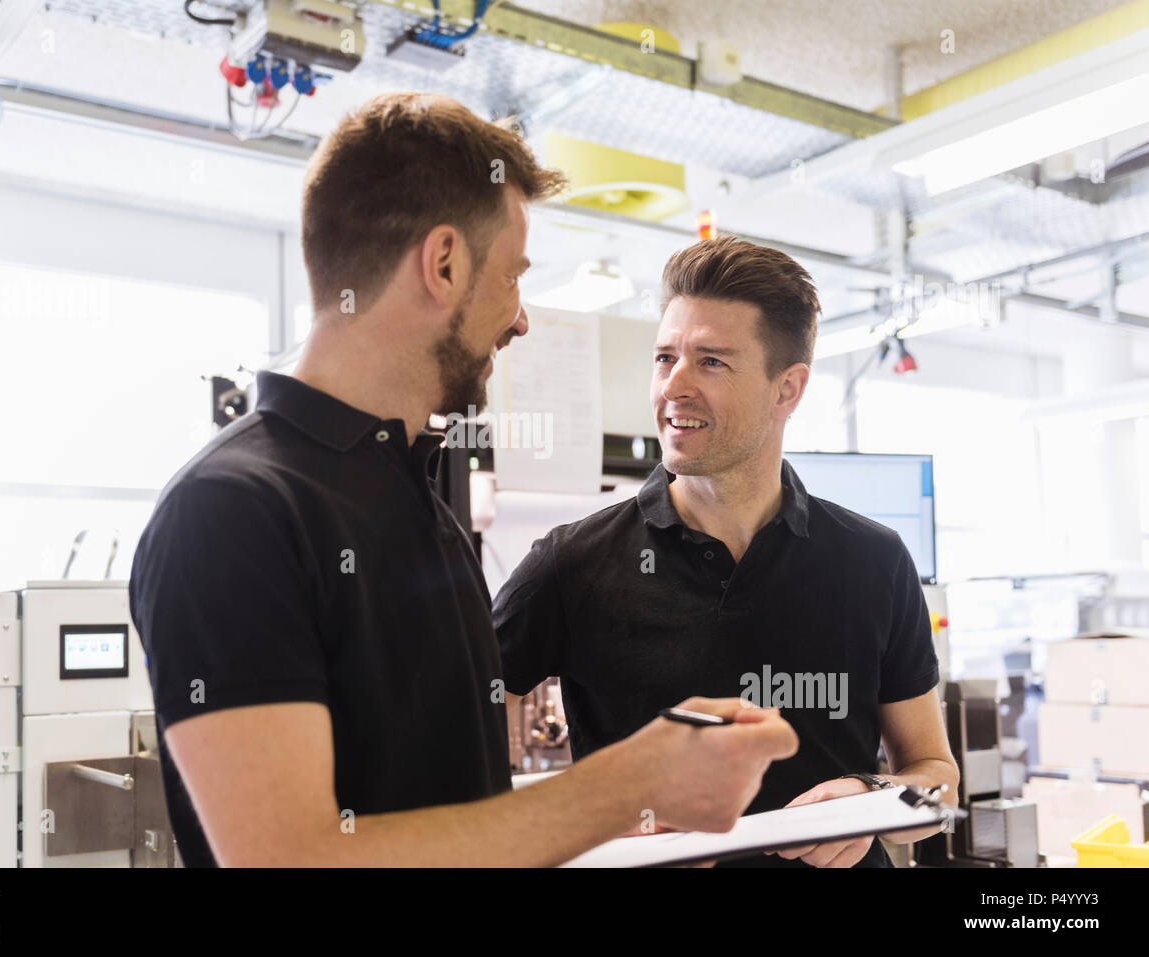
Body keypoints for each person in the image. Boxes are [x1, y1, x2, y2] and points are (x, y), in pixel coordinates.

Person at [127, 94, 798, 867]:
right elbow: (289, 858)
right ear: (443, 264)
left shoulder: (419, 501)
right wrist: (622, 783)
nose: (520, 322)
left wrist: (611, 827)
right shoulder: (232, 512)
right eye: (512, 278)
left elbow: (437, 813)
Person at [493, 235, 959, 868]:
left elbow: (935, 778)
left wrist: (873, 796)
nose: (672, 387)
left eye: (711, 361)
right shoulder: (569, 563)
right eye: (665, 358)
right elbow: (448, 756)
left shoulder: (873, 560)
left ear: (786, 389)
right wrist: (586, 821)